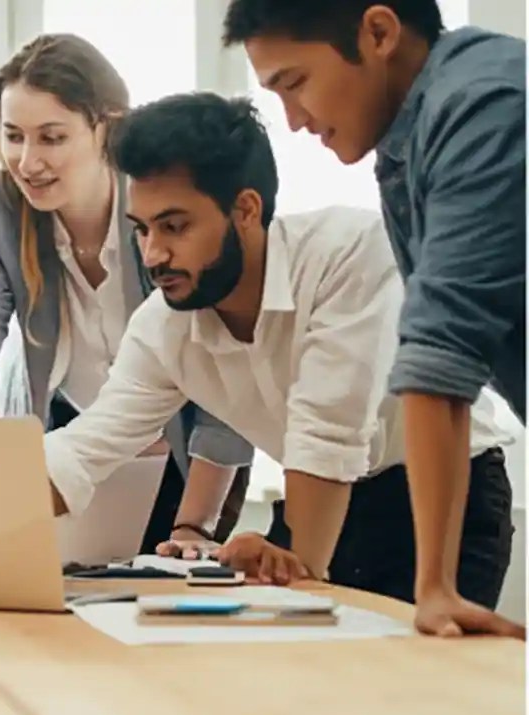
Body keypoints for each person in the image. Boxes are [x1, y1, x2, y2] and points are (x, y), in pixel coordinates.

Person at [43, 92, 513, 609]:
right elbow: (84, 448)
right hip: (318, 497)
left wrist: (301, 563)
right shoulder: (162, 326)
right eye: (142, 229)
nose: (153, 254)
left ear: (246, 209)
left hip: (443, 500)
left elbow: (327, 428)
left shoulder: (348, 252)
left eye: (175, 226)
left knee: (405, 663)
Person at [222, 0, 525, 639]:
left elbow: (441, 354)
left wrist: (435, 587)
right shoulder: (403, 147)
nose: (294, 120)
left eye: (295, 83)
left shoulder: (484, 106)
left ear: (379, 32)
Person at [0, 33, 255, 553]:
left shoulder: (157, 209)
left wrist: (195, 526)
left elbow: (223, 361)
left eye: (51, 138)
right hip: (66, 440)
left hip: (184, 453)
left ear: (105, 128)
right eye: (13, 136)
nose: (27, 162)